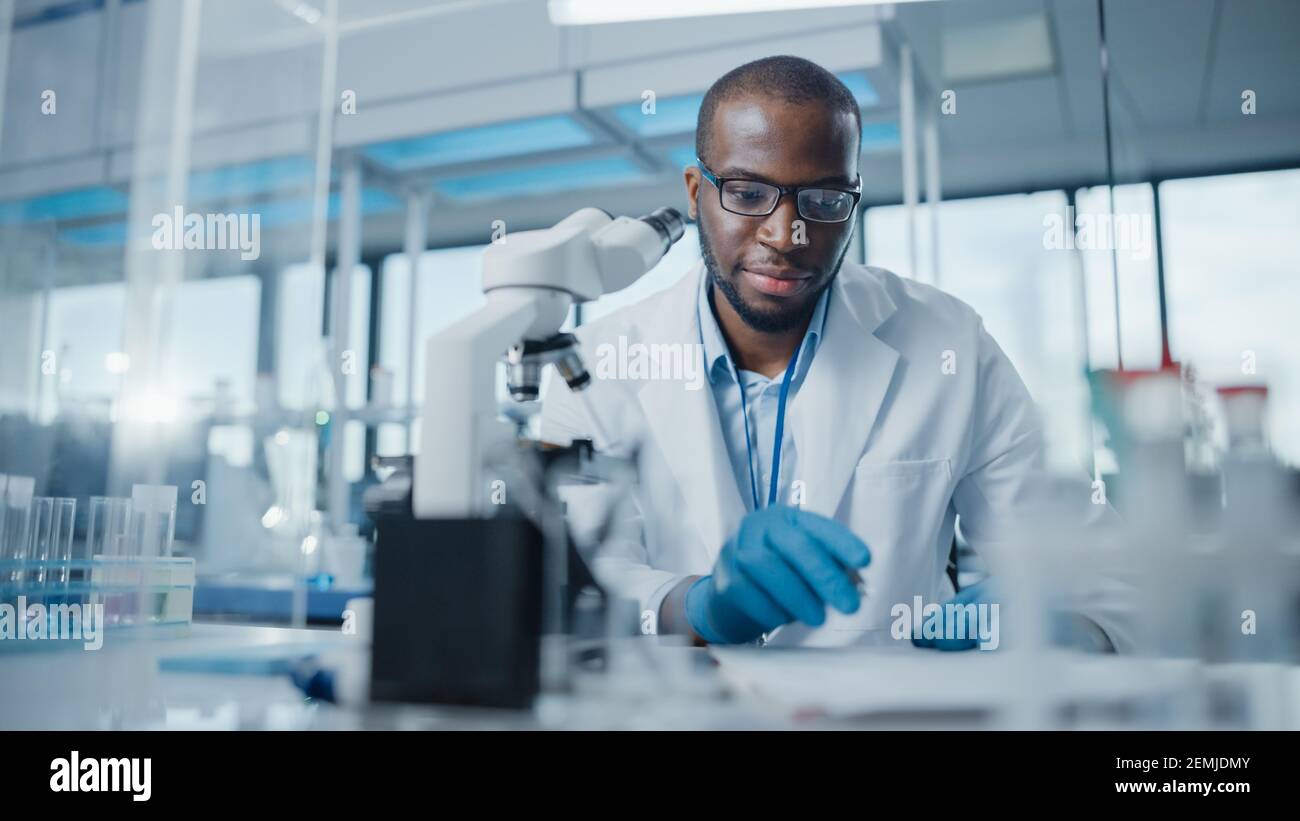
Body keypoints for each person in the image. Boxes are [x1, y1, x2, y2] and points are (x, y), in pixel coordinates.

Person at [542, 55, 1128, 651]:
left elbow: (1103, 582)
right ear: (697, 193)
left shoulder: (950, 344)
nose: (785, 234)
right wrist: (697, 605)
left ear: (854, 201)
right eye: (748, 194)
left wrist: (1064, 625)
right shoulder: (593, 367)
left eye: (823, 200)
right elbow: (575, 591)